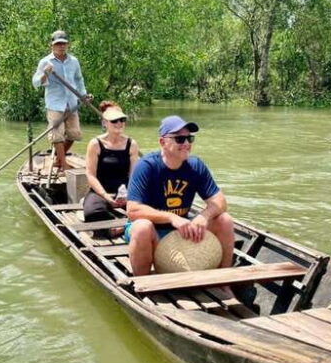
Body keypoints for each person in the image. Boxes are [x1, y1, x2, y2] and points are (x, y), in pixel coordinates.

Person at [126, 115, 234, 276]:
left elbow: (220, 201)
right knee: (142, 227)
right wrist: (172, 218)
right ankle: (144, 284)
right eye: (180, 139)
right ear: (163, 142)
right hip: (152, 232)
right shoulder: (147, 166)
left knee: (225, 220)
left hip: (183, 231)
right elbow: (133, 211)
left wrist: (204, 216)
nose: (186, 144)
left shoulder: (195, 165)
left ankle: (224, 280)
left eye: (189, 138)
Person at [31, 30, 91, 170]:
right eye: (58, 44)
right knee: (57, 136)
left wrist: (84, 95)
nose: (61, 47)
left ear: (67, 45)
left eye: (63, 44)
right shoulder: (45, 62)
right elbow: (35, 82)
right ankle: (64, 164)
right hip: (55, 103)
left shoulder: (74, 61)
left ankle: (58, 159)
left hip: (71, 102)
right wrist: (45, 74)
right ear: (52, 46)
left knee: (74, 134)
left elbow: (78, 79)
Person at [83, 101, 140, 238]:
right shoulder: (95, 144)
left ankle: (126, 224)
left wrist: (129, 195)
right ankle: (118, 227)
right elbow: (90, 175)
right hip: (101, 191)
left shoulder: (131, 144)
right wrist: (106, 196)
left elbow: (134, 175)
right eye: (115, 120)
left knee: (151, 206)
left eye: (122, 120)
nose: (119, 123)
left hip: (125, 191)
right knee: (92, 212)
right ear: (105, 123)